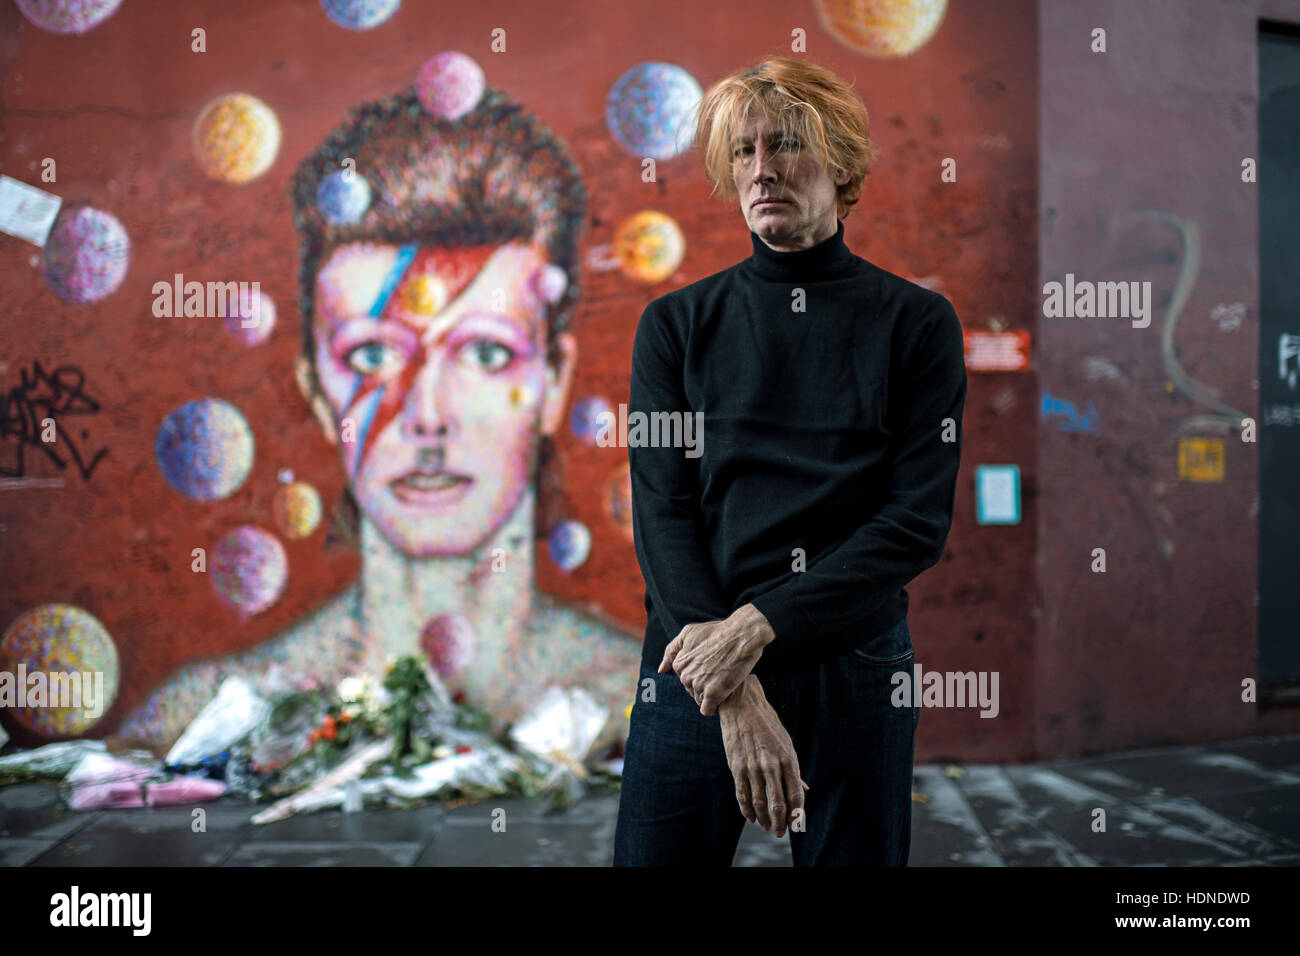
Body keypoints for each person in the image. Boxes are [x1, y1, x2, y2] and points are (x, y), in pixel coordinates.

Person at [119, 86, 641, 755]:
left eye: (486, 352)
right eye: (373, 355)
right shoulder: (201, 720)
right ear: (315, 389)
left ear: (553, 381)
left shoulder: (649, 702)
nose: (427, 416)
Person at [613, 57, 967, 866]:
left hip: (855, 665)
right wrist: (731, 683)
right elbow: (662, 512)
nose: (761, 170)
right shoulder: (675, 325)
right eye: (742, 151)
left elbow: (914, 523)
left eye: (786, 145)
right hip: (693, 657)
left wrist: (759, 626)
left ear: (842, 164)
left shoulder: (915, 324)